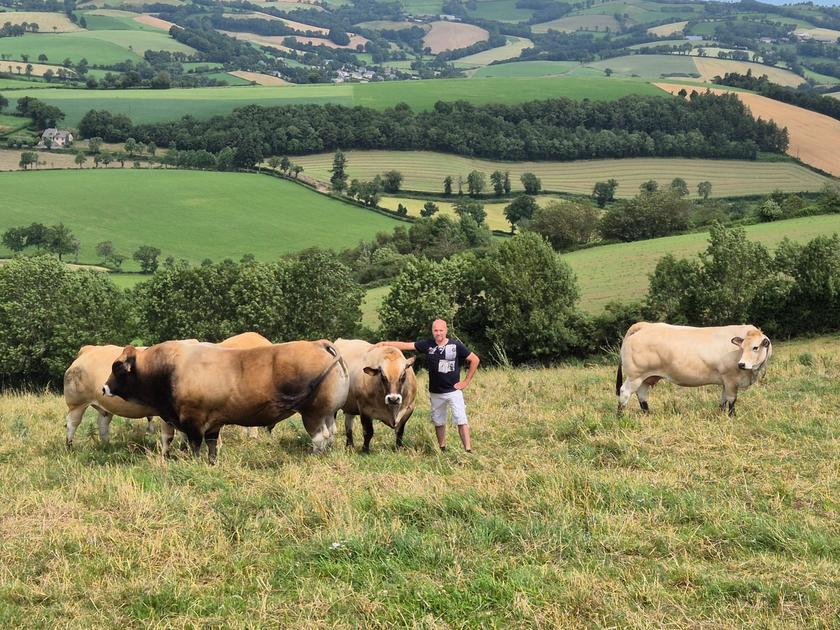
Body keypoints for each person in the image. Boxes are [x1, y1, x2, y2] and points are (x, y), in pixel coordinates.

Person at [377, 319, 479, 452]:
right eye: (436, 330)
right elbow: (406, 345)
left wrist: (466, 381)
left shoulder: (456, 345)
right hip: (436, 392)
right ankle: (442, 448)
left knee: (461, 419)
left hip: (453, 391)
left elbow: (474, 360)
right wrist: (384, 344)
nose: (438, 333)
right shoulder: (427, 345)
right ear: (432, 331)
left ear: (446, 330)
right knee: (439, 421)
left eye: (441, 330)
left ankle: (468, 449)